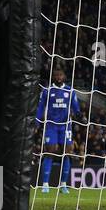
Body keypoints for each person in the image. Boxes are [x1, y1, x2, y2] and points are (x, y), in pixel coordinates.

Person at [36, 63, 82, 194]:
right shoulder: (46, 91)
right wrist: (37, 122)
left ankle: (63, 185)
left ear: (64, 76)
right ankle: (45, 184)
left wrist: (79, 115)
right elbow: (40, 108)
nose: (58, 77)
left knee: (67, 153)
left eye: (60, 75)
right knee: (50, 151)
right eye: (56, 75)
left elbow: (76, 107)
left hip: (65, 126)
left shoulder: (70, 90)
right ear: (53, 77)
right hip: (51, 125)